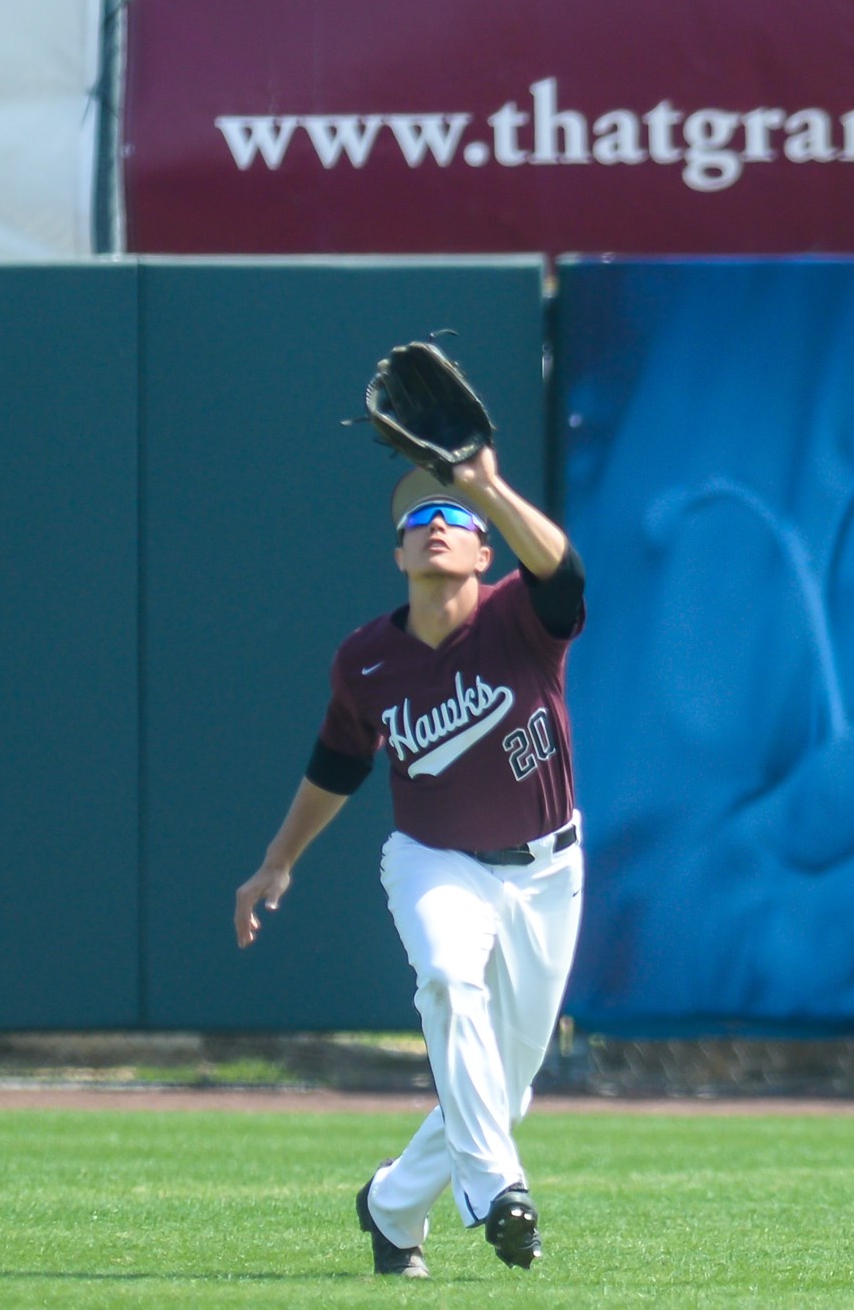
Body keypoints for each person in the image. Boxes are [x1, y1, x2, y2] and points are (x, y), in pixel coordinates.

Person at [234, 448, 587, 1278]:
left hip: (545, 871)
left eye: (452, 519)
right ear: (398, 556)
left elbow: (565, 572)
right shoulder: (366, 660)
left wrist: (487, 488)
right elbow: (337, 764)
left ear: (483, 550)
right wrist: (277, 861)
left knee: (508, 1087)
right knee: (447, 980)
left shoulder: (521, 619)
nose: (435, 525)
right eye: (417, 521)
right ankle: (501, 1191)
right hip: (435, 861)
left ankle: (392, 1204)